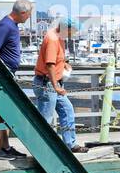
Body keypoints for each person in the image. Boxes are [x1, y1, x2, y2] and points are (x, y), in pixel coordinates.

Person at [33, 18, 86, 153]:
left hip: (54, 84)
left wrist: (65, 62)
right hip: (48, 84)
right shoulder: (53, 39)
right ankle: (42, 150)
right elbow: (50, 64)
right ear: (66, 28)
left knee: (67, 110)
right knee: (46, 118)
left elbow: (57, 57)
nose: (73, 35)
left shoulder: (59, 37)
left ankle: (71, 144)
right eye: (73, 32)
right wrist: (55, 86)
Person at [0, 0, 32, 158]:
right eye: (28, 15)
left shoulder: (11, 25)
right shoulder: (6, 25)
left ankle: (5, 147)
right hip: (4, 75)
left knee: (4, 112)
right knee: (1, 112)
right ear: (22, 13)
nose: (28, 18)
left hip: (8, 74)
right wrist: (3, 72)